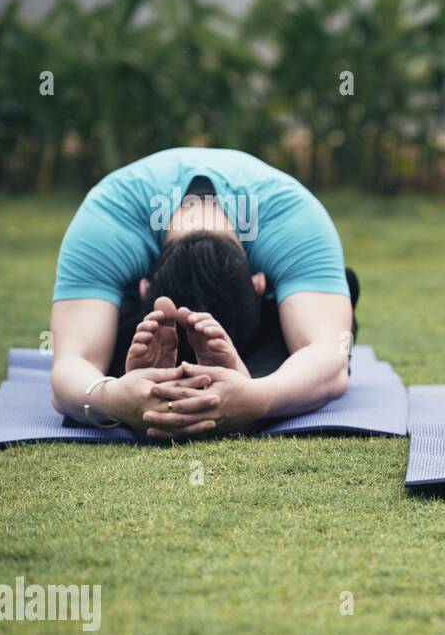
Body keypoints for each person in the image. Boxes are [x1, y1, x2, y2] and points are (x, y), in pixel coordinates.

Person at [49, 148, 358, 439]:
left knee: (341, 294)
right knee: (100, 333)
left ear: (260, 285)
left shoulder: (291, 218)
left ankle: (232, 377)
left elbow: (331, 356)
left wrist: (257, 398)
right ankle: (174, 376)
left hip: (260, 325)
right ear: (143, 286)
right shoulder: (108, 220)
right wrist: (114, 399)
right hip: (141, 320)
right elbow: (70, 364)